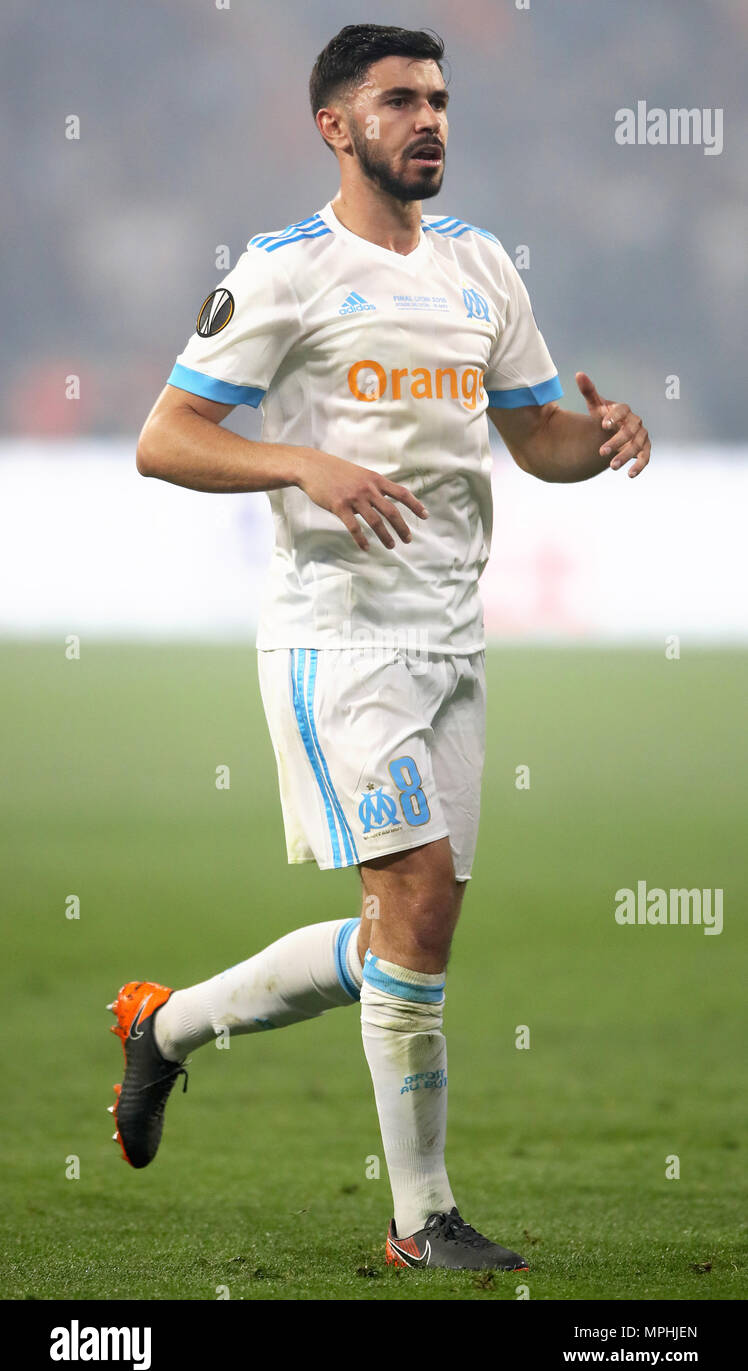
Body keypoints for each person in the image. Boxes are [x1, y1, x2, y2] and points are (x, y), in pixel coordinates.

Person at [108, 23, 650, 1271]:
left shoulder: (480, 270)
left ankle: (168, 1026)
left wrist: (601, 435)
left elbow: (536, 440)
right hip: (336, 641)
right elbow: (164, 438)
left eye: (441, 100)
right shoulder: (284, 272)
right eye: (401, 99)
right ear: (336, 127)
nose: (431, 120)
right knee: (407, 904)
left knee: (410, 937)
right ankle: (421, 1224)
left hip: (451, 641)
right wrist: (300, 458)